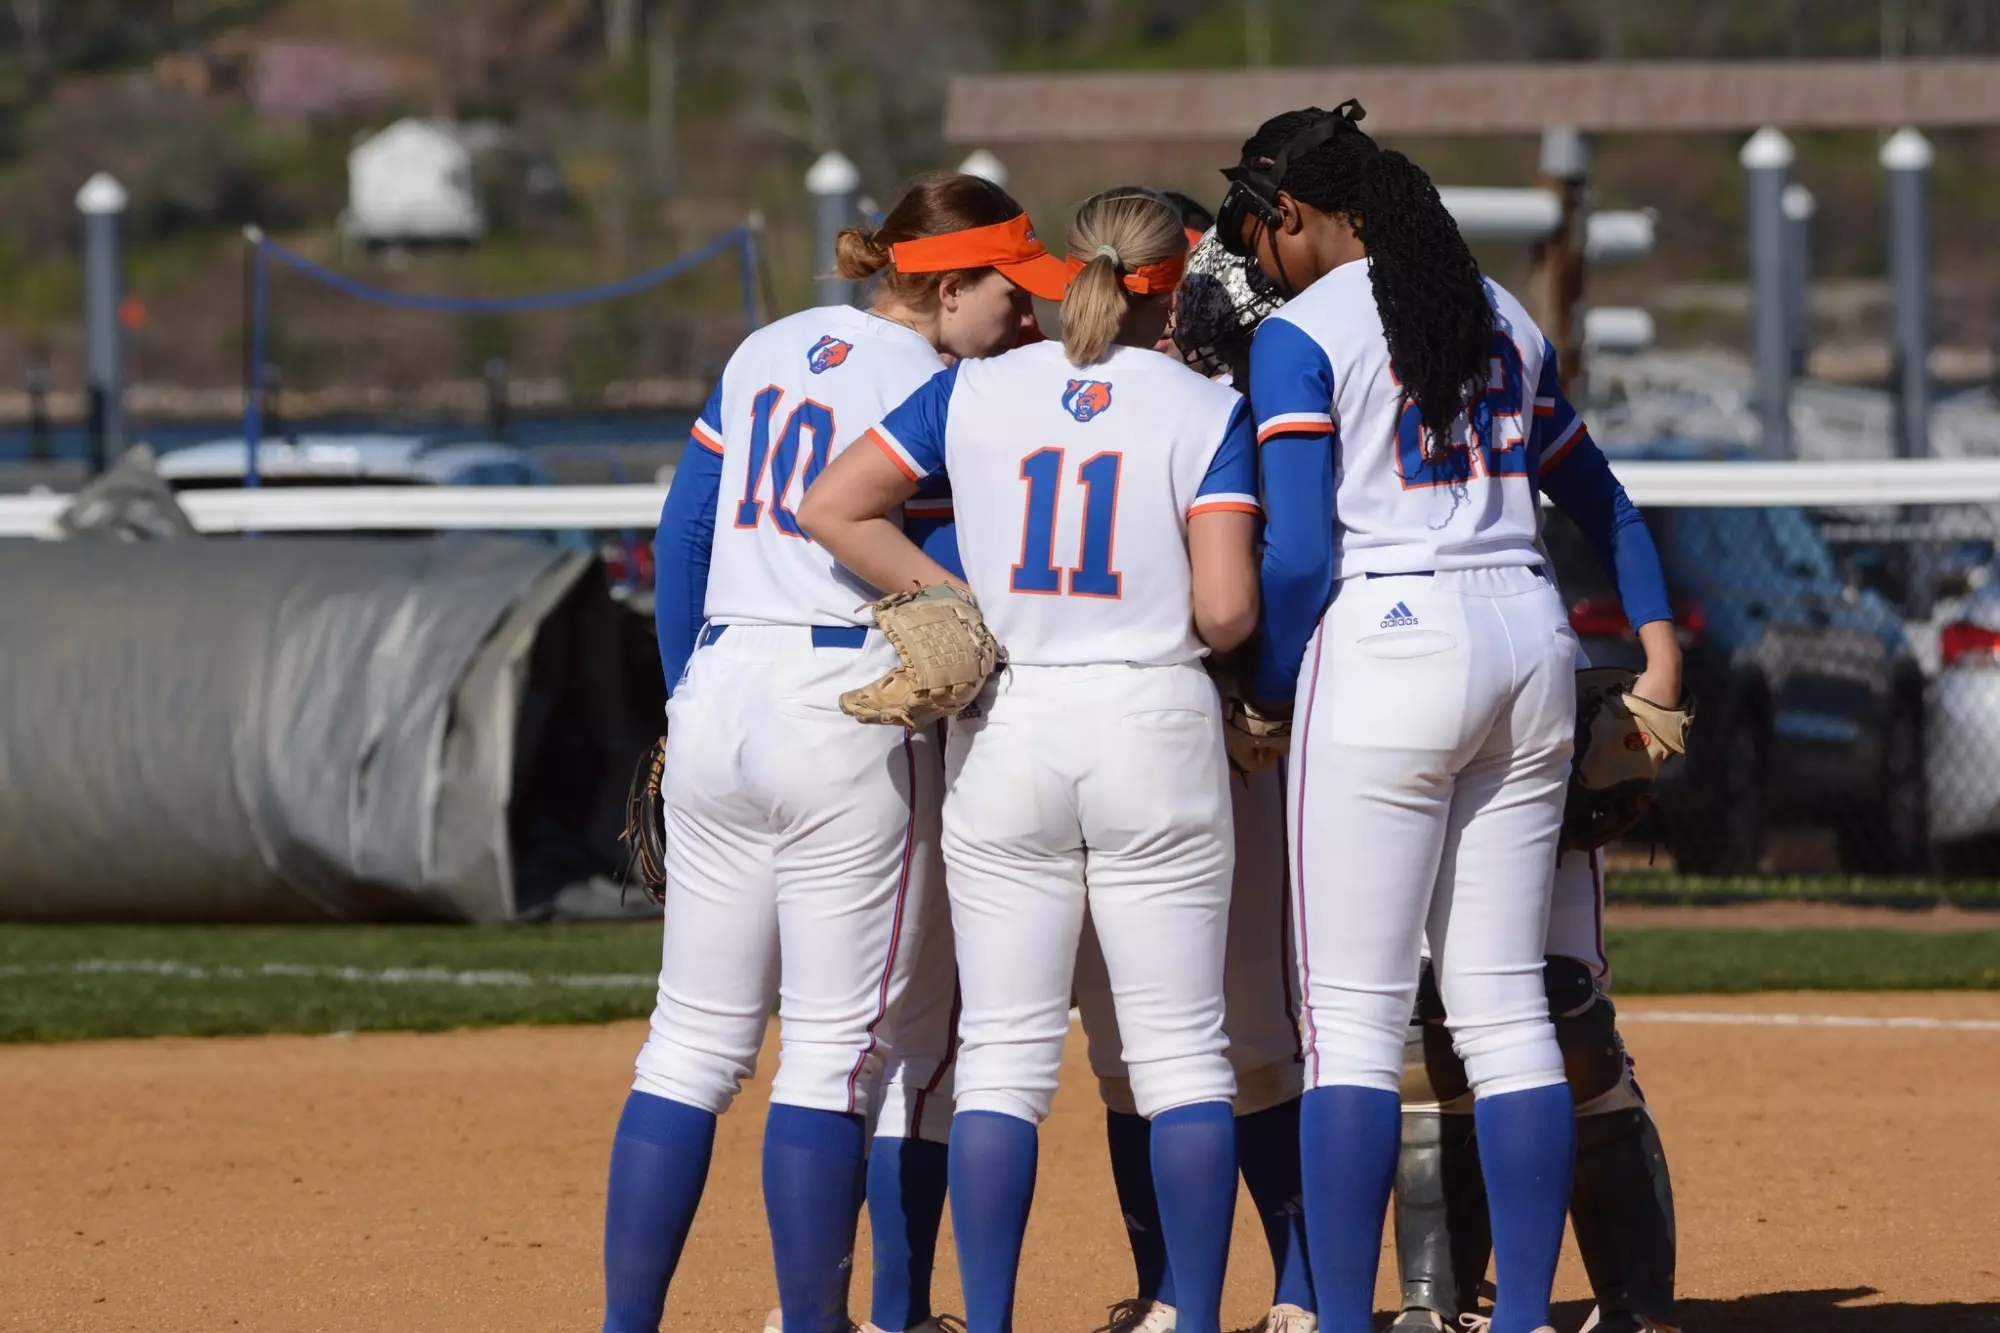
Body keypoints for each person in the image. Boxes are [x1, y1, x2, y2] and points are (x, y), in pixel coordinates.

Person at [1219, 102, 1682, 1333]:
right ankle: (1523, 1316)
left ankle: (1331, 1313)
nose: (1259, 252)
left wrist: (1266, 683)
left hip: (1384, 640)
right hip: (1525, 634)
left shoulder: (1302, 330)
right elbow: (1604, 500)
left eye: (1263, 228)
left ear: (1298, 217)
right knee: (1502, 1008)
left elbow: (1301, 551)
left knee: (1352, 1024)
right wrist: (1658, 651)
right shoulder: (1499, 308)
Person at [606, 169, 1068, 1333]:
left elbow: (685, 528)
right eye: (1008, 294)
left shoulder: (768, 346)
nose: (1026, 319)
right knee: (836, 1055)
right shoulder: (951, 392)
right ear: (947, 280)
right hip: (847, 704)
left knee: (688, 1047)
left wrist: (681, 699)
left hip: (722, 683)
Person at [799, 186, 1259, 1333]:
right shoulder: (1204, 402)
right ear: (1175, 286)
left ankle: (992, 1318)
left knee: (1000, 1058)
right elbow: (1223, 614)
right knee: (1178, 1055)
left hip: (1007, 723)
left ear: (1063, 274)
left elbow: (834, 505)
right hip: (1150, 722)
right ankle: (1190, 1317)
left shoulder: (970, 386)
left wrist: (956, 599)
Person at [1069, 226, 1315, 1333]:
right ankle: (1179, 1292)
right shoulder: (1171, 401)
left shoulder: (1230, 393)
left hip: (1204, 736)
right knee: (1137, 1048)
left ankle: (1293, 1290)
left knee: (1240, 1035)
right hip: (1169, 733)